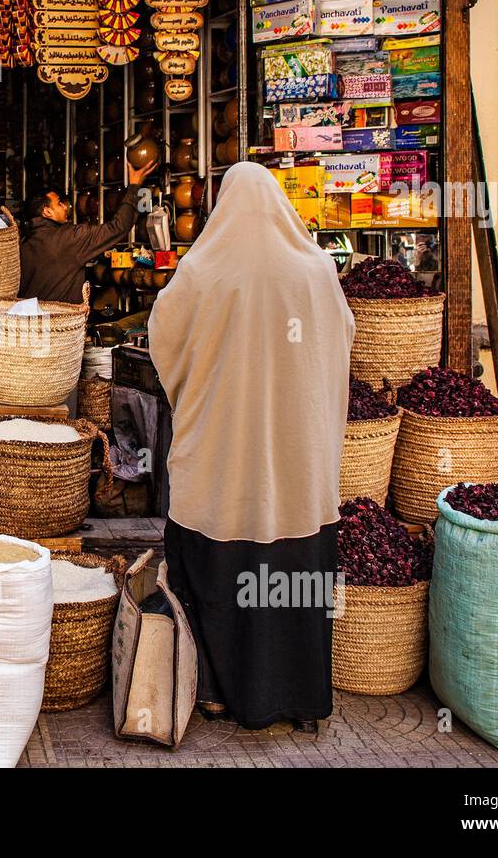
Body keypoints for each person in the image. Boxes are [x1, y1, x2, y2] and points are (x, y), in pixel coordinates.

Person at [147, 162, 354, 733]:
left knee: (216, 566)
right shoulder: (315, 270)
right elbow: (343, 340)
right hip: (298, 465)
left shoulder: (206, 270)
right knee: (294, 582)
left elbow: (163, 335)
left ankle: (215, 692)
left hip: (224, 455)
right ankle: (298, 696)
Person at [19, 157, 157, 304]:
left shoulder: (23, 242)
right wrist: (134, 186)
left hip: (28, 323)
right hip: (60, 324)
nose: (65, 207)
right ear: (47, 212)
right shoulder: (69, 239)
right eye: (59, 203)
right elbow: (118, 227)